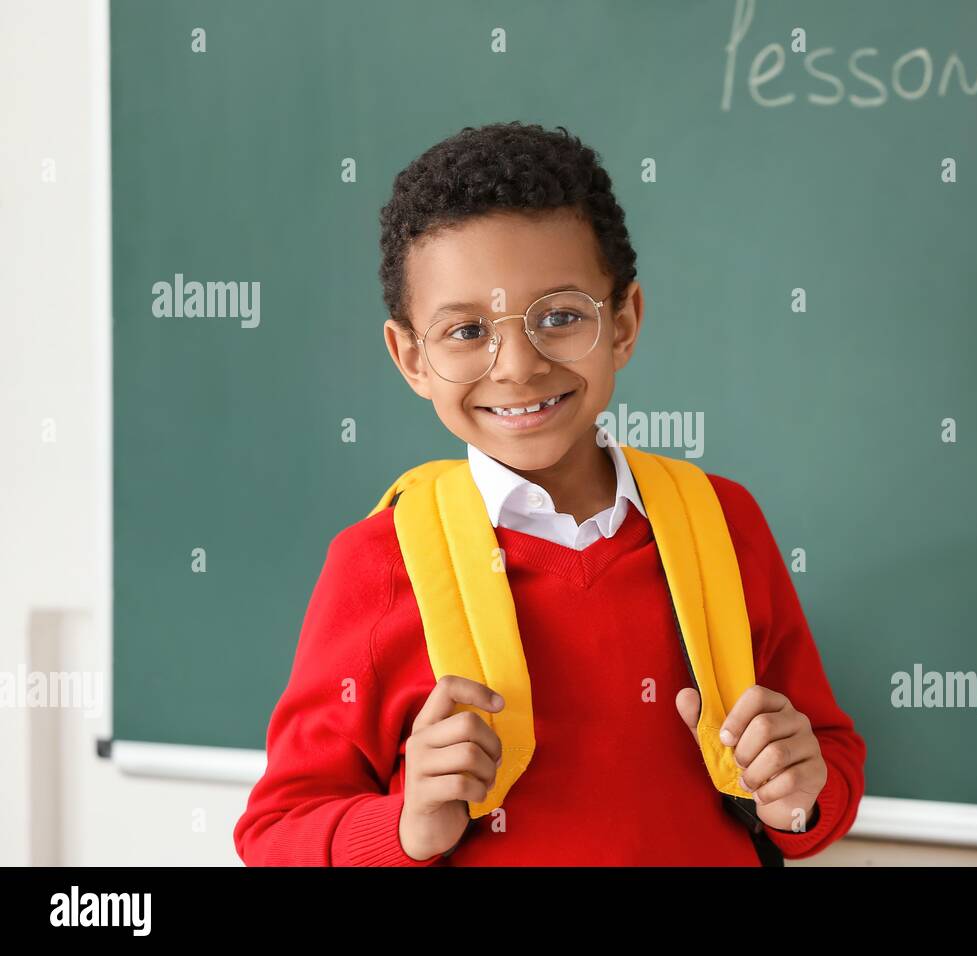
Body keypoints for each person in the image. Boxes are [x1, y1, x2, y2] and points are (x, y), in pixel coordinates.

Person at [233, 121, 865, 866]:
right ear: (411, 358)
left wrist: (800, 790)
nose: (517, 368)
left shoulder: (722, 522)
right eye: (466, 331)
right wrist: (407, 827)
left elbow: (822, 764)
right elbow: (276, 834)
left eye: (562, 317)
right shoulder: (377, 564)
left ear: (623, 322)